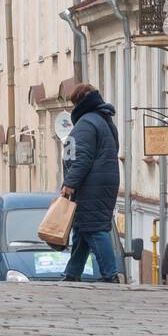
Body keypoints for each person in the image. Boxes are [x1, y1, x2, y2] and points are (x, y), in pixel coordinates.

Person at [60, 82, 121, 283]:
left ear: (78, 103)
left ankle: (110, 274)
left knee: (94, 228)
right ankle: (72, 273)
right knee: (82, 228)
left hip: (90, 185)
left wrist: (69, 183)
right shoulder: (105, 121)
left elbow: (81, 157)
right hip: (105, 182)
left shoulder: (86, 124)